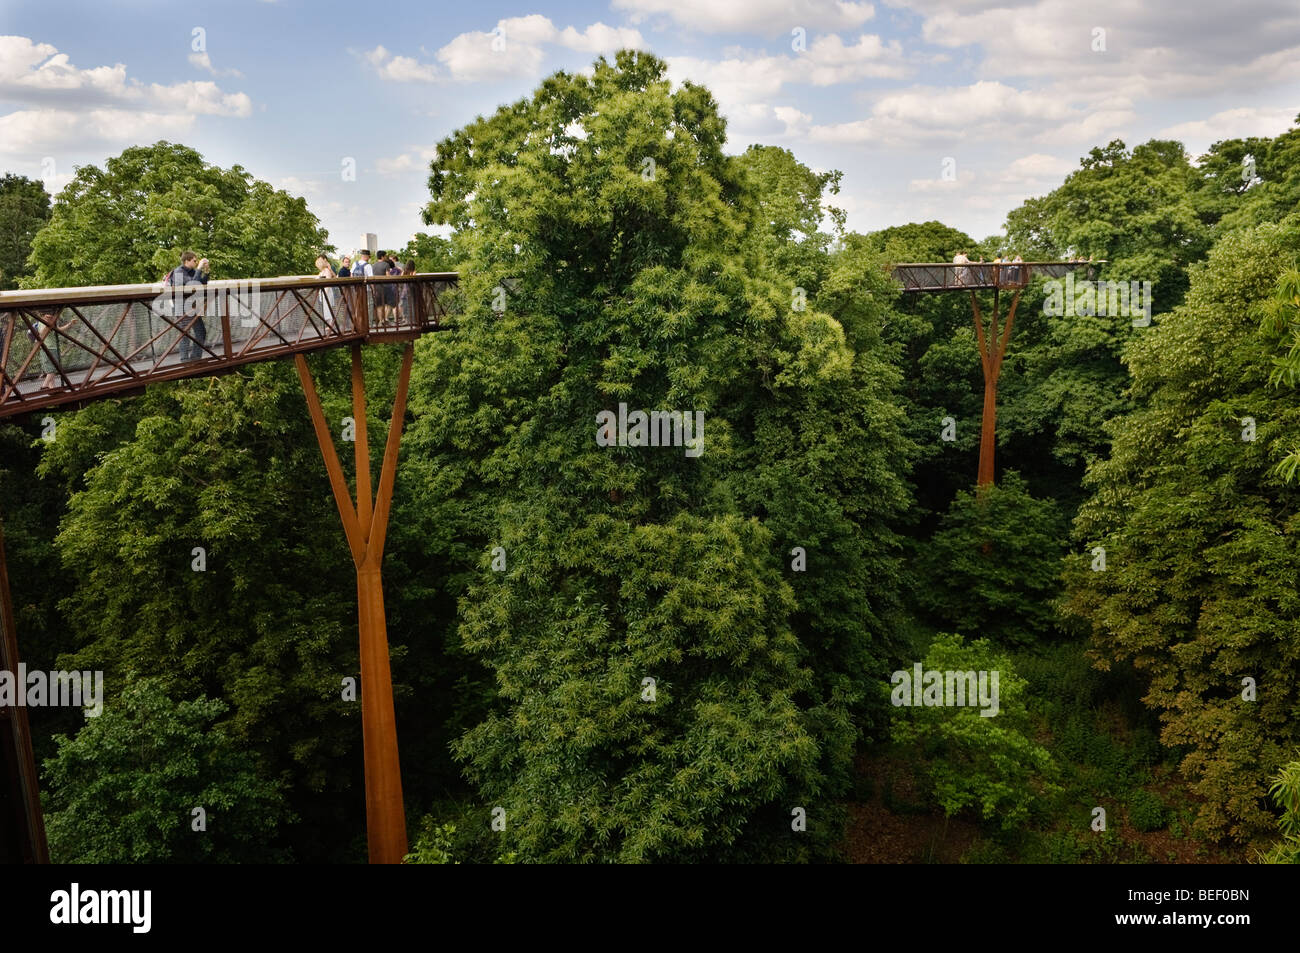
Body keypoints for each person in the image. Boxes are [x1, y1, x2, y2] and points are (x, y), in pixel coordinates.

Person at [169, 251, 210, 362]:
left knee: (201, 331)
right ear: (187, 261)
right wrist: (199, 268)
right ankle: (184, 359)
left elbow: (201, 283)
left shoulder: (192, 271)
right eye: (194, 261)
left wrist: (206, 271)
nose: (196, 263)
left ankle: (196, 358)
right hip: (181, 306)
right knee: (185, 333)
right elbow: (192, 284)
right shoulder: (178, 272)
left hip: (192, 306)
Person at [29, 309, 78, 390]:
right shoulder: (42, 323)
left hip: (51, 348)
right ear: (44, 315)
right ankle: (44, 386)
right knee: (53, 369)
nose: (51, 316)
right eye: (49, 315)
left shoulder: (50, 323)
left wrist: (70, 324)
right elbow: (42, 333)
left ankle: (52, 388)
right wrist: (48, 324)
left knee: (51, 369)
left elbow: (59, 329)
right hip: (48, 348)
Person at [370, 249, 394, 324]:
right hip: (385, 287)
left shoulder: (373, 265)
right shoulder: (386, 264)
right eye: (385, 256)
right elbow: (388, 276)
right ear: (382, 256)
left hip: (376, 287)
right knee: (391, 303)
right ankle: (385, 318)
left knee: (379, 305)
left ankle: (381, 321)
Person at [315, 254, 338, 330]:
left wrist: (325, 292)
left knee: (328, 307)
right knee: (325, 308)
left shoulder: (329, 269)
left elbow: (334, 278)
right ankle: (327, 323)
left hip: (327, 291)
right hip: (324, 291)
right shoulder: (323, 271)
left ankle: (330, 324)